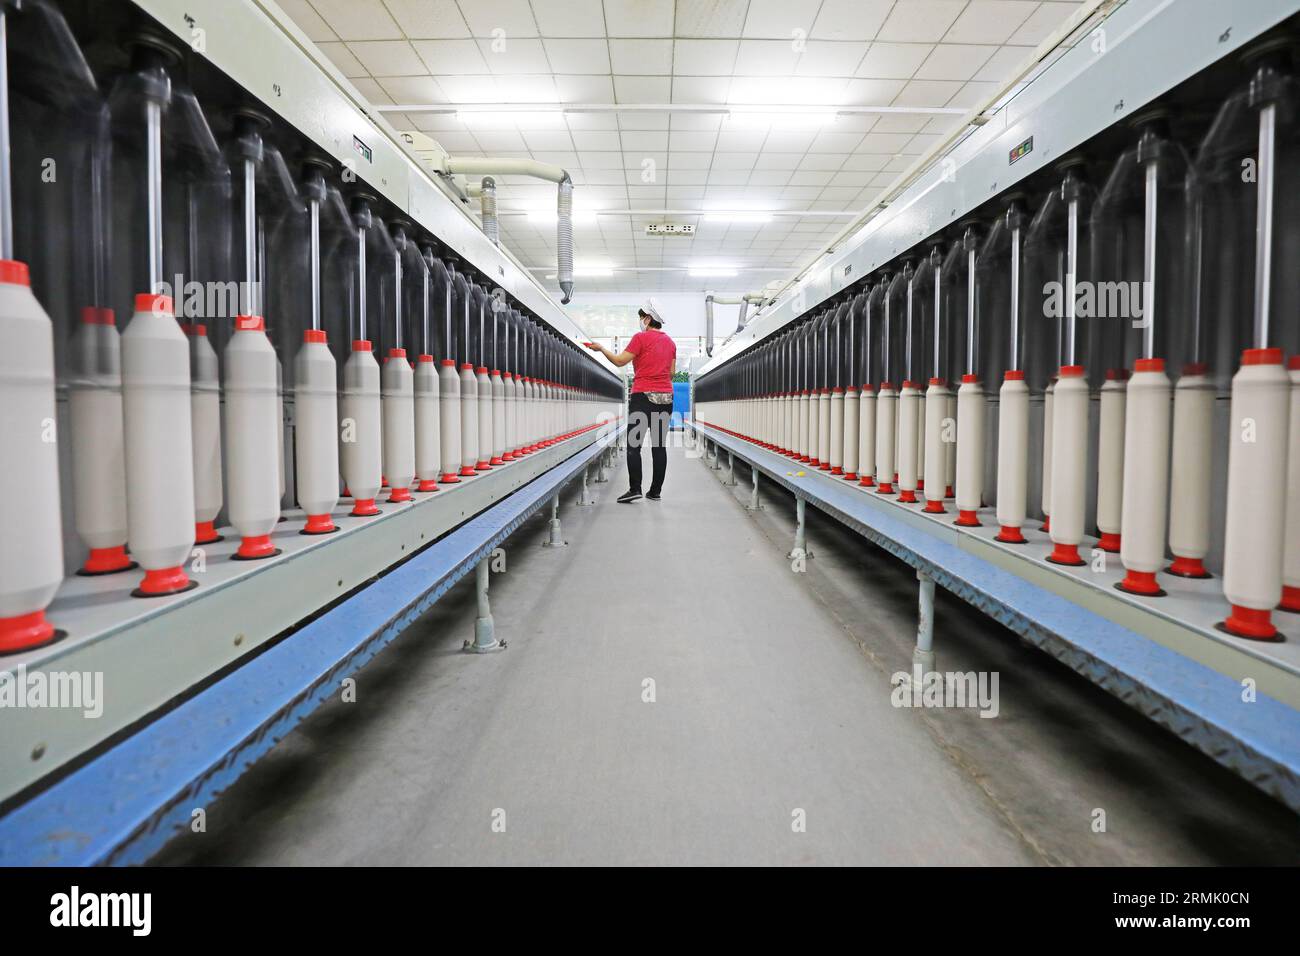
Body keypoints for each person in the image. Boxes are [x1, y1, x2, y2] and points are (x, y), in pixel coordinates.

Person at [585, 297, 677, 502]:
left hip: (643, 397)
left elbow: (620, 361)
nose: (641, 320)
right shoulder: (670, 342)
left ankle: (635, 488)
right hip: (666, 398)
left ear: (648, 318)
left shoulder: (640, 338)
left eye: (642, 316)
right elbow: (671, 373)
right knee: (658, 446)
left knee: (634, 445)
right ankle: (655, 492)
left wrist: (601, 349)